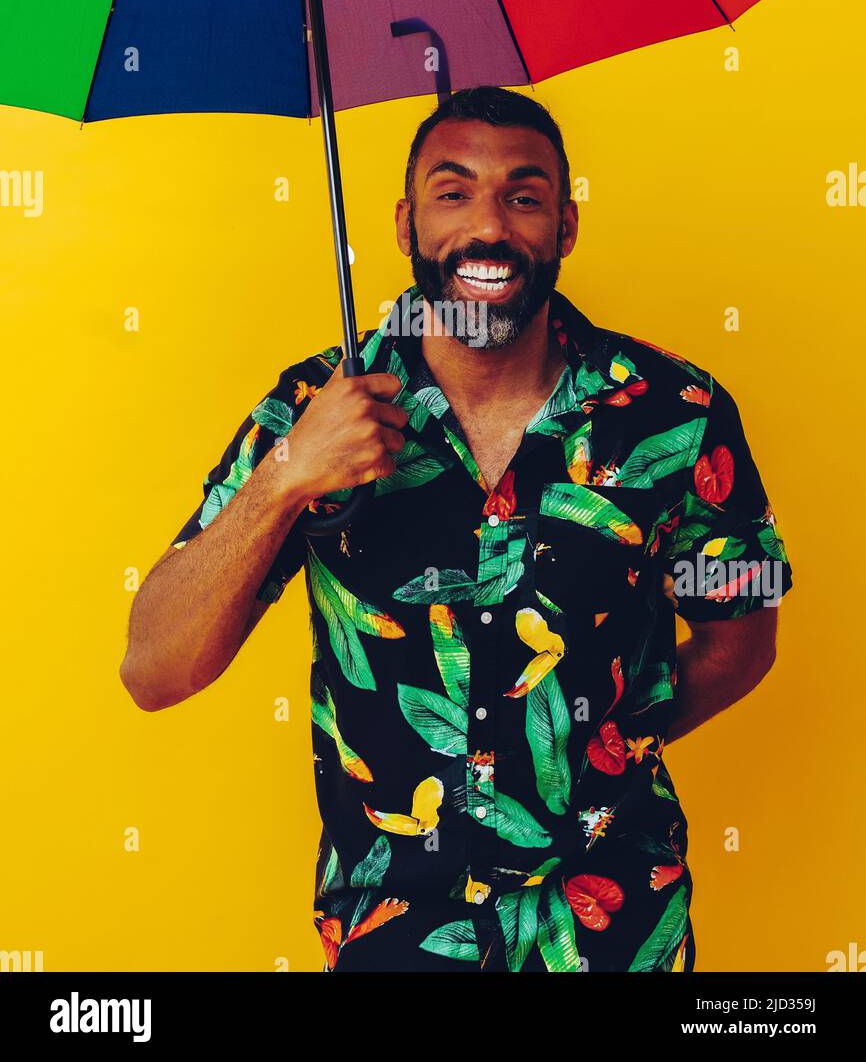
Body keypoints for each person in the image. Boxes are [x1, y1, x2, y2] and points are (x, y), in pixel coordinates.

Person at [120, 85, 793, 973]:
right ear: (405, 225)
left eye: (524, 195)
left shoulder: (679, 412)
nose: (488, 228)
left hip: (614, 920)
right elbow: (155, 668)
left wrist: (598, 752)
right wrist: (288, 476)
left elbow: (742, 638)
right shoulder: (313, 408)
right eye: (453, 192)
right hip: (392, 927)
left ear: (565, 226)